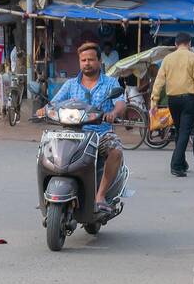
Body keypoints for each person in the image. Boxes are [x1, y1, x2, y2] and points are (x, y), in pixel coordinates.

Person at [34, 41, 126, 214]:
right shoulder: (70, 85)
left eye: (91, 59)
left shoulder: (110, 83)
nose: (87, 63)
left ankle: (100, 195)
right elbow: (54, 103)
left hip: (100, 134)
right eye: (83, 60)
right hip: (72, 134)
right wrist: (43, 110)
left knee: (116, 151)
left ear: (99, 61)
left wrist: (114, 112)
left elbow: (120, 103)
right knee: (46, 152)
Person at [150, 32, 194, 177]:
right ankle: (175, 165)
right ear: (189, 44)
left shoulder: (168, 59)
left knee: (179, 129)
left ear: (175, 44)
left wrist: (154, 101)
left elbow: (159, 80)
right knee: (184, 131)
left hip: (173, 100)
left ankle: (182, 162)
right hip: (189, 99)